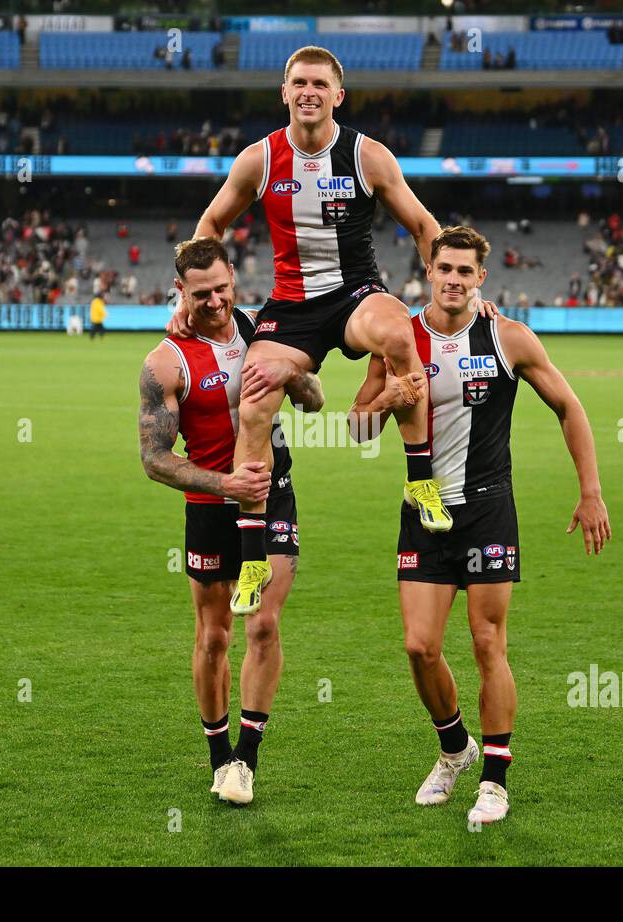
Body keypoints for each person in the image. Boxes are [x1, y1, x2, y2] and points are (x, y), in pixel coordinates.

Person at [168, 45, 499, 616]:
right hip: (291, 307)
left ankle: (419, 478)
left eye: (320, 83)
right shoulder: (259, 159)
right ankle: (251, 555)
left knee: (399, 335)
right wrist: (193, 296)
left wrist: (464, 297)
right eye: (299, 82)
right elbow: (211, 224)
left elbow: (424, 225)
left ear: (338, 95)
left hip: (355, 295)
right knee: (253, 393)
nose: (309, 92)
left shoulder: (368, 156)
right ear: (285, 91)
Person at [348, 227, 611, 825]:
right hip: (423, 508)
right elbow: (358, 429)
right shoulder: (398, 340)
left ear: (481, 279)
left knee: (488, 641)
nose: (454, 280)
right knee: (419, 647)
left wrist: (590, 491)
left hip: (489, 509)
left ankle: (494, 779)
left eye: (466, 272)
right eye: (445, 268)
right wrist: (387, 397)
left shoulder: (507, 337)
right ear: (429, 271)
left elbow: (570, 407)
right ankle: (454, 749)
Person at [139, 237, 324, 806]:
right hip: (210, 508)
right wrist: (225, 484)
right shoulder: (165, 362)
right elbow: (155, 459)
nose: (215, 301)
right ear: (180, 291)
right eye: (201, 294)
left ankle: (247, 758)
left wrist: (289, 373)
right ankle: (219, 758)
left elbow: (314, 400)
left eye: (222, 288)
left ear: (233, 278)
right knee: (214, 636)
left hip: (273, 497)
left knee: (263, 626)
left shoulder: (264, 331)